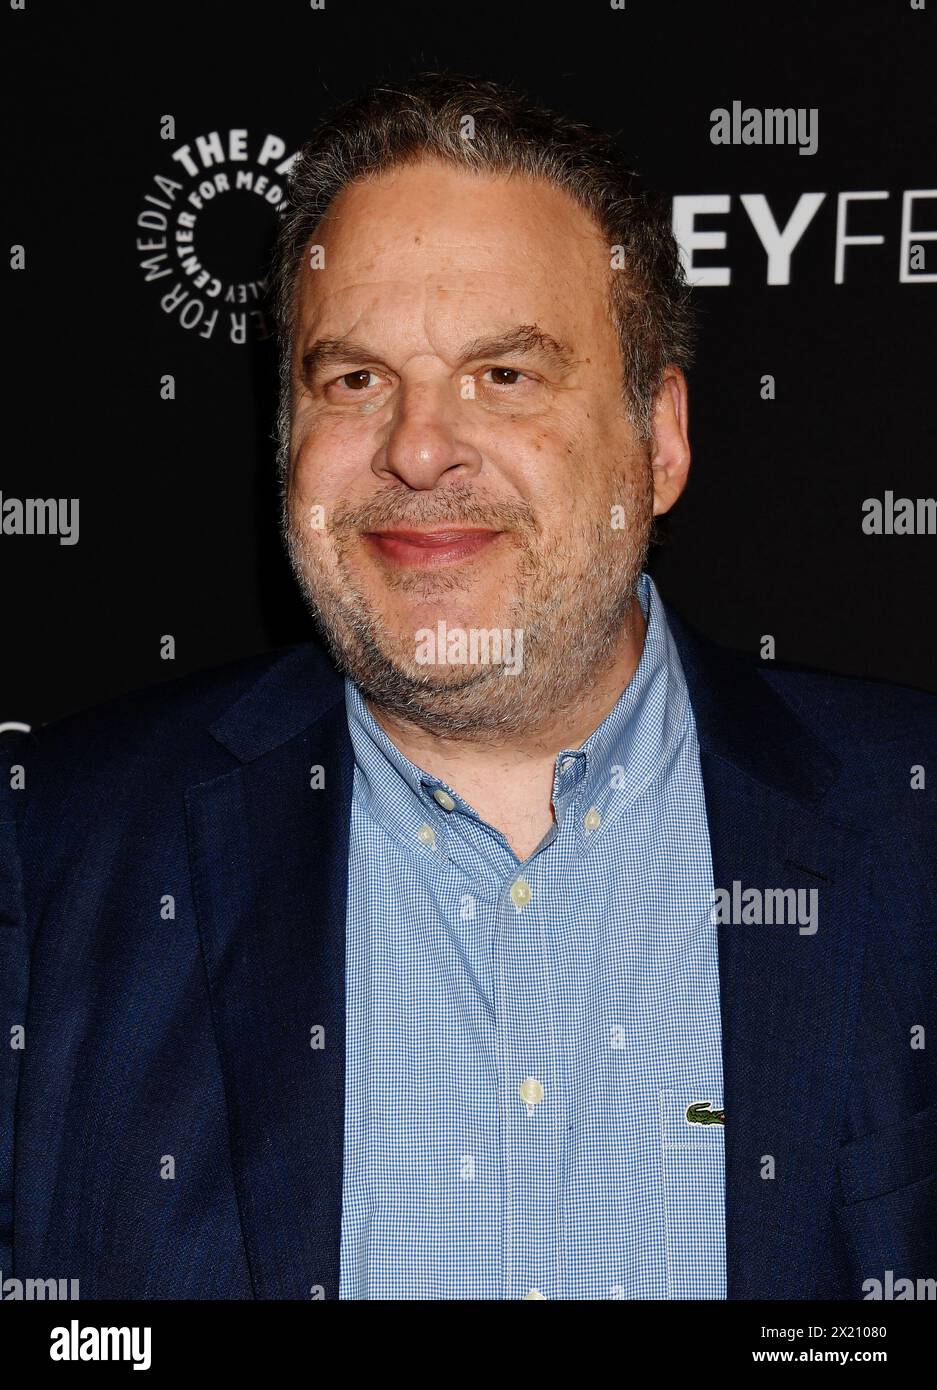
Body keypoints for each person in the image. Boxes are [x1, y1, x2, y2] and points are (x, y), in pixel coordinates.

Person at [2, 73, 934, 1301]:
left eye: (506, 374)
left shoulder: (911, 833)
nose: (418, 446)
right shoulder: (55, 851)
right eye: (353, 379)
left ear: (657, 441)